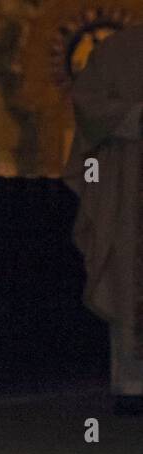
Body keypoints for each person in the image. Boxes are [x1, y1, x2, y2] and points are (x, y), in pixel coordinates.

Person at [64, 26, 143, 416]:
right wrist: (135, 116)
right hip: (128, 188)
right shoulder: (119, 48)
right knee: (127, 276)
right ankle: (133, 385)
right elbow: (87, 102)